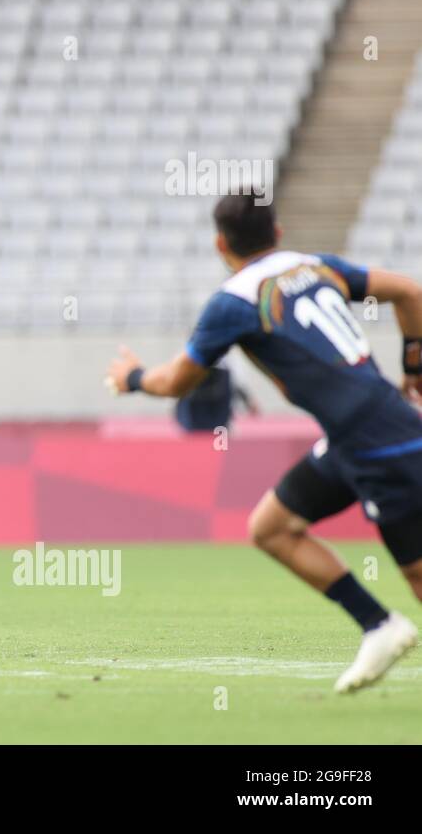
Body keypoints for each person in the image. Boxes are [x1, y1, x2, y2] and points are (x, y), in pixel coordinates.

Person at [107, 191, 422, 693]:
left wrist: (134, 377)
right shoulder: (316, 265)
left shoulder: (232, 303)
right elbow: (408, 290)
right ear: (277, 233)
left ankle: (383, 624)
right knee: (271, 527)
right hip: (362, 432)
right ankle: (379, 625)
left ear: (219, 243)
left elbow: (175, 383)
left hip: (376, 444)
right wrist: (414, 366)